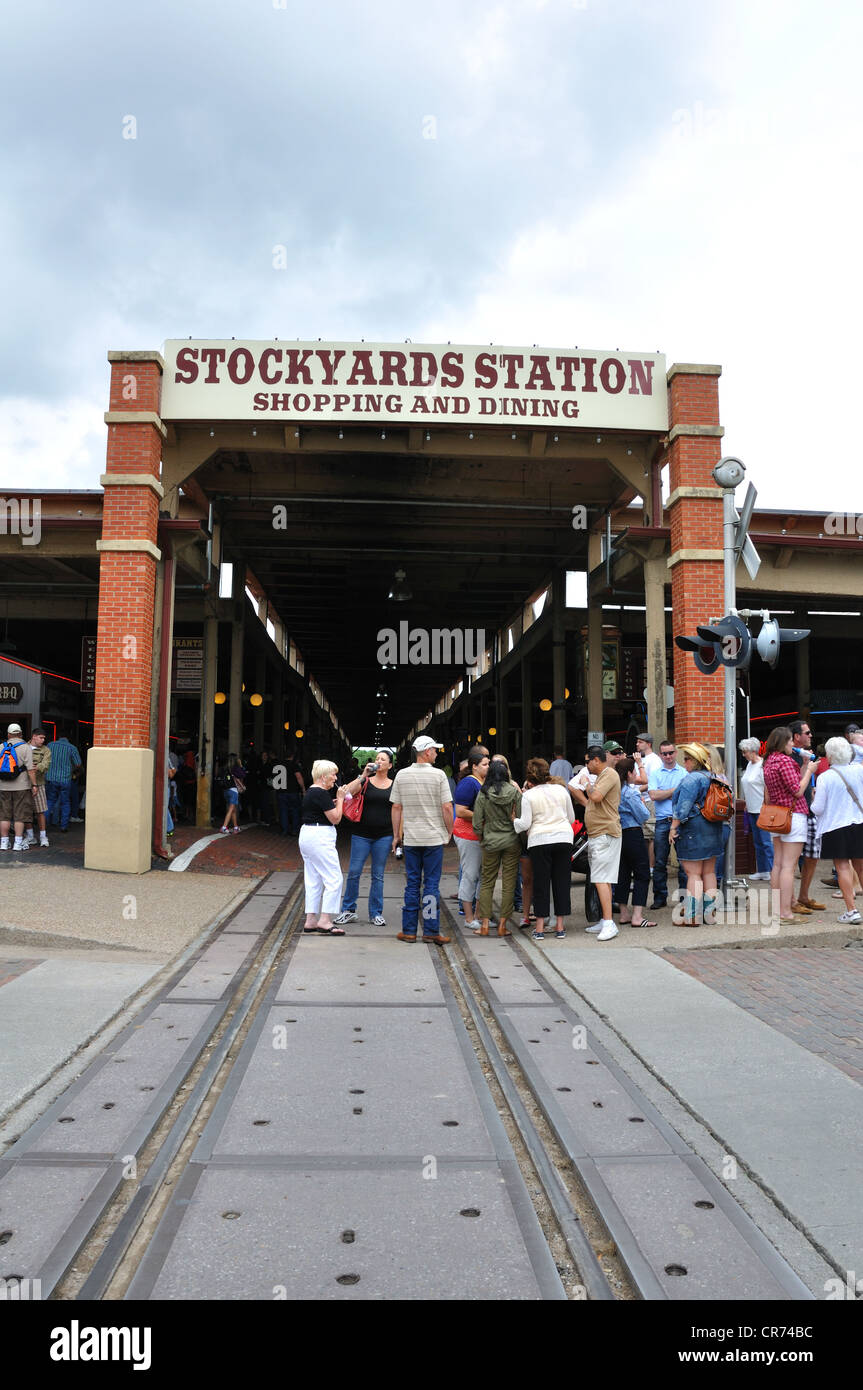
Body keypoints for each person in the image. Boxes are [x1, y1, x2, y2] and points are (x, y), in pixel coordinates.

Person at [389, 735, 453, 944]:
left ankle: (408, 930)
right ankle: (431, 930)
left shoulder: (401, 775)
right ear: (427, 752)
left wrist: (397, 836)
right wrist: (449, 831)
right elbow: (446, 807)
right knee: (431, 883)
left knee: (412, 883)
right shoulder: (439, 776)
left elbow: (396, 807)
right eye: (435, 750)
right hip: (433, 838)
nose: (436, 753)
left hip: (412, 838)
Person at [513, 757, 574, 941]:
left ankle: (539, 927)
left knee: (541, 883)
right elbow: (570, 817)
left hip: (539, 840)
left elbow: (524, 824)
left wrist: (513, 819)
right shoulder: (561, 790)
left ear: (530, 778)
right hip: (563, 837)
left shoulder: (528, 796)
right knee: (562, 881)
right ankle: (560, 926)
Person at [335, 750, 394, 927]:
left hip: (384, 835)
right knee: (354, 871)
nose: (379, 761)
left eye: (383, 759)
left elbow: (399, 809)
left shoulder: (394, 785)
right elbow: (347, 792)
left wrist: (398, 835)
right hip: (361, 833)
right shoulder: (366, 781)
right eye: (377, 758)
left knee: (378, 875)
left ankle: (375, 913)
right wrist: (363, 775)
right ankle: (348, 910)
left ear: (390, 765)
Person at [668, 743, 725, 927]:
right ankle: (709, 915)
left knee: (693, 874)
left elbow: (683, 809)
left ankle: (691, 916)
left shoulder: (691, 780)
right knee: (709, 872)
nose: (684, 762)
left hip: (694, 829)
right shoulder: (715, 777)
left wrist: (673, 828)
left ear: (695, 761)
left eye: (686, 759)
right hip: (714, 827)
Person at [762, 726, 814, 925]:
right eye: (790, 741)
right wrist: (809, 770)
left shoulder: (769, 761)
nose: (793, 744)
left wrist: (804, 765)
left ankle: (778, 910)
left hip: (777, 816)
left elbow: (778, 789)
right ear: (783, 742)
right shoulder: (784, 761)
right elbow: (798, 790)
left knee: (777, 864)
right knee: (789, 867)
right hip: (794, 815)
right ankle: (786, 913)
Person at [569, 746, 621, 941]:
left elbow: (596, 796)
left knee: (600, 878)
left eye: (588, 761)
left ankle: (608, 922)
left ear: (596, 760)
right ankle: (604, 919)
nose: (586, 765)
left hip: (605, 833)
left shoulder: (609, 774)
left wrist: (585, 783)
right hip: (599, 833)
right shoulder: (602, 775)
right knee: (602, 878)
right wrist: (587, 801)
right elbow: (589, 797)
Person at [809, 737, 863, 924]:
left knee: (842, 868)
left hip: (835, 827)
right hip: (859, 823)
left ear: (830, 756)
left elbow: (818, 809)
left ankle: (852, 910)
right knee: (861, 867)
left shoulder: (825, 777)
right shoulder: (860, 770)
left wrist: (813, 797)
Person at [473, 758, 522, 937]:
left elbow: (477, 823)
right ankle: (502, 925)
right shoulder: (515, 792)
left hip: (490, 841)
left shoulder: (483, 793)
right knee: (509, 883)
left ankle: (484, 924)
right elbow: (521, 820)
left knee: (487, 881)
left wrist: (482, 839)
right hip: (511, 841)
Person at [298, 759, 347, 934]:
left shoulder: (311, 792)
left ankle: (310, 919)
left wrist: (332, 803)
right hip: (320, 837)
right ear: (324, 776)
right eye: (333, 774)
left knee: (313, 878)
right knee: (334, 878)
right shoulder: (321, 794)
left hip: (307, 835)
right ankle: (325, 920)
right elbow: (336, 819)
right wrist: (340, 800)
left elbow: (320, 811)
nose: (335, 778)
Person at [788, 720, 826, 913]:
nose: (811, 736)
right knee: (791, 860)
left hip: (809, 811)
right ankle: (791, 900)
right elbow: (796, 787)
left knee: (812, 856)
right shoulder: (791, 757)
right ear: (796, 737)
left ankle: (803, 895)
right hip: (795, 813)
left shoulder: (806, 756)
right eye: (807, 733)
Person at [614, 758, 655, 927]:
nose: (637, 775)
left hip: (618, 834)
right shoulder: (630, 793)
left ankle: (624, 913)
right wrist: (643, 805)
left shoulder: (614, 790)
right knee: (642, 873)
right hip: (633, 833)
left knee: (622, 873)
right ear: (629, 773)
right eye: (635, 771)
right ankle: (637, 916)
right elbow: (644, 815)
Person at [647, 739, 687, 909]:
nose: (668, 756)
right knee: (660, 862)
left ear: (676, 753)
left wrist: (665, 793)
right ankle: (659, 897)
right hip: (663, 821)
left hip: (681, 821)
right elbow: (654, 795)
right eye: (664, 753)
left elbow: (686, 797)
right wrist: (675, 791)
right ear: (660, 754)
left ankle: (685, 897)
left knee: (684, 861)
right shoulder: (655, 773)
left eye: (671, 752)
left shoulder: (685, 772)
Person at [453, 749, 490, 931]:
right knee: (470, 874)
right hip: (468, 835)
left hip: (480, 835)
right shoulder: (469, 783)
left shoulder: (482, 782)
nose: (488, 767)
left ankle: (478, 915)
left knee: (482, 876)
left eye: (488, 764)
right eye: (484, 764)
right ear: (474, 767)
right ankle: (468, 917)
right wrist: (483, 818)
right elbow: (460, 811)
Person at [739, 736, 774, 881]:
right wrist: (746, 802)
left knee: (766, 842)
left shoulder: (762, 766)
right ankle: (763, 870)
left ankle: (773, 871)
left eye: (745, 751)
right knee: (757, 842)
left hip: (761, 808)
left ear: (752, 751)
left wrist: (766, 805)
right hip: (752, 808)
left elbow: (767, 787)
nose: (743, 754)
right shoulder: (749, 765)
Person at [0, 722, 38, 852]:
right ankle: (17, 842)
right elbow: (31, 770)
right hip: (21, 786)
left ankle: (4, 843)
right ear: (20, 733)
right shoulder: (25, 747)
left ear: (8, 734)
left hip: (3, 786)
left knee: (4, 815)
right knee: (19, 815)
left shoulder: (1, 746)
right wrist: (34, 785)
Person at [45, 732, 82, 833]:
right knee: (65, 803)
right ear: (69, 738)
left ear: (58, 736)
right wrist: (70, 767)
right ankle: (63, 826)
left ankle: (44, 825)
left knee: (50, 801)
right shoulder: (72, 748)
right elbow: (78, 764)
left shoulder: (50, 745)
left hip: (51, 778)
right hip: (65, 779)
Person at [24, 727, 51, 847]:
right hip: (24, 784)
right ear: (34, 736)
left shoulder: (46, 750)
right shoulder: (24, 747)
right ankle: (30, 836)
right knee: (26, 812)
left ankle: (43, 836)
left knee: (40, 811)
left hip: (39, 783)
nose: (43, 740)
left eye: (44, 738)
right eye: (41, 737)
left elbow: (46, 765)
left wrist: (37, 767)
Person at [277, 751, 305, 836]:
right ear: (292, 756)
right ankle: (294, 830)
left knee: (283, 811)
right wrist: (303, 788)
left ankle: (284, 830)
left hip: (281, 791)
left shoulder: (279, 765)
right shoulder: (294, 765)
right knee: (295, 810)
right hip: (293, 791)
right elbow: (299, 777)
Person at [219, 753, 245, 834]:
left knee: (233, 809)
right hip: (233, 791)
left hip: (225, 791)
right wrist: (240, 765)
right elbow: (242, 775)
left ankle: (236, 827)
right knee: (231, 809)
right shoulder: (235, 768)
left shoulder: (225, 768)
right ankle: (224, 827)